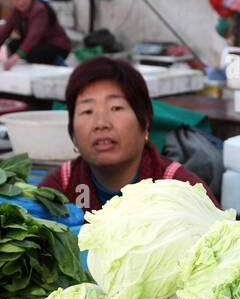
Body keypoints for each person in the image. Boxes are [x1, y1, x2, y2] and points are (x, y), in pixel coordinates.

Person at [38, 57, 216, 212]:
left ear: (145, 123)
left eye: (116, 108)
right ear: (72, 130)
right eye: (87, 111)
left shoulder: (181, 188)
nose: (101, 124)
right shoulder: (60, 187)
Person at [0, 0, 73, 69]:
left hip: (57, 46)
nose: (20, 2)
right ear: (12, 0)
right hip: (39, 44)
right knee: (13, 44)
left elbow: (33, 37)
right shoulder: (15, 11)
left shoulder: (39, 10)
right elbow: (4, 30)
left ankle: (59, 64)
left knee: (34, 52)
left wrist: (14, 58)